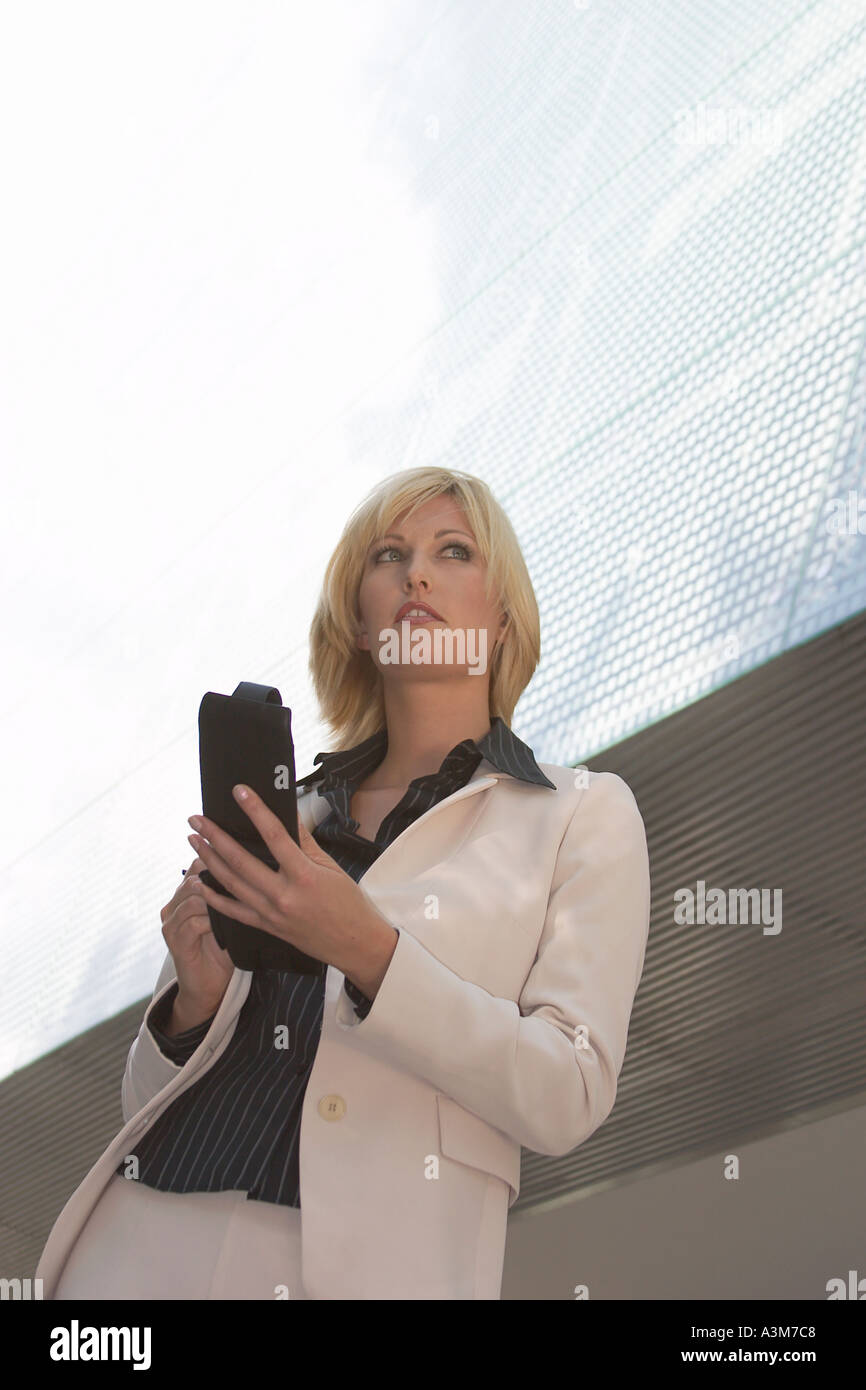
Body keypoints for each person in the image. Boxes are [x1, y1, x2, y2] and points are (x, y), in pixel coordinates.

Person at [36, 464, 651, 1300]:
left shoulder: (583, 813)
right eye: (389, 556)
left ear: (503, 617)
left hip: (368, 1268)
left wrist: (370, 952)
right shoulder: (287, 816)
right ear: (362, 623)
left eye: (454, 552)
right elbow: (144, 1098)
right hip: (142, 1244)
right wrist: (195, 1004)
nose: (416, 574)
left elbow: (567, 1092)